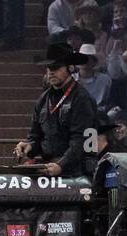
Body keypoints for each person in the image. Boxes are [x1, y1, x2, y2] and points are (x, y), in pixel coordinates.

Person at [18, 43, 98, 176]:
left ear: (70, 68)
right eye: (48, 67)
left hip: (77, 171)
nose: (51, 71)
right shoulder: (43, 99)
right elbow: (36, 136)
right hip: (49, 167)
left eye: (56, 67)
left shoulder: (82, 99)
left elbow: (81, 141)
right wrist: (29, 146)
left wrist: (61, 165)